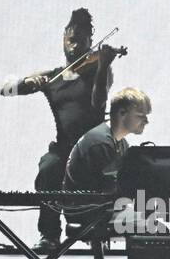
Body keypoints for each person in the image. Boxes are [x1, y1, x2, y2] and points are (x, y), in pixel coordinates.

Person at [0, 8, 119, 252]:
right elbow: (5, 90)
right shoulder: (53, 77)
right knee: (48, 166)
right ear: (64, 40)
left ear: (90, 41)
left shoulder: (99, 71)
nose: (75, 46)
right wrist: (26, 83)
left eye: (81, 41)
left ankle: (92, 228)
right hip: (65, 147)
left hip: (91, 150)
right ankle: (49, 235)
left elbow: (99, 103)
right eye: (70, 40)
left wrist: (104, 64)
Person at [62, 87, 151, 234]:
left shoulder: (120, 142)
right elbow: (112, 189)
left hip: (101, 208)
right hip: (89, 212)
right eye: (141, 115)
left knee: (151, 217)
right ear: (122, 113)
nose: (146, 121)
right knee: (157, 226)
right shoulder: (100, 142)